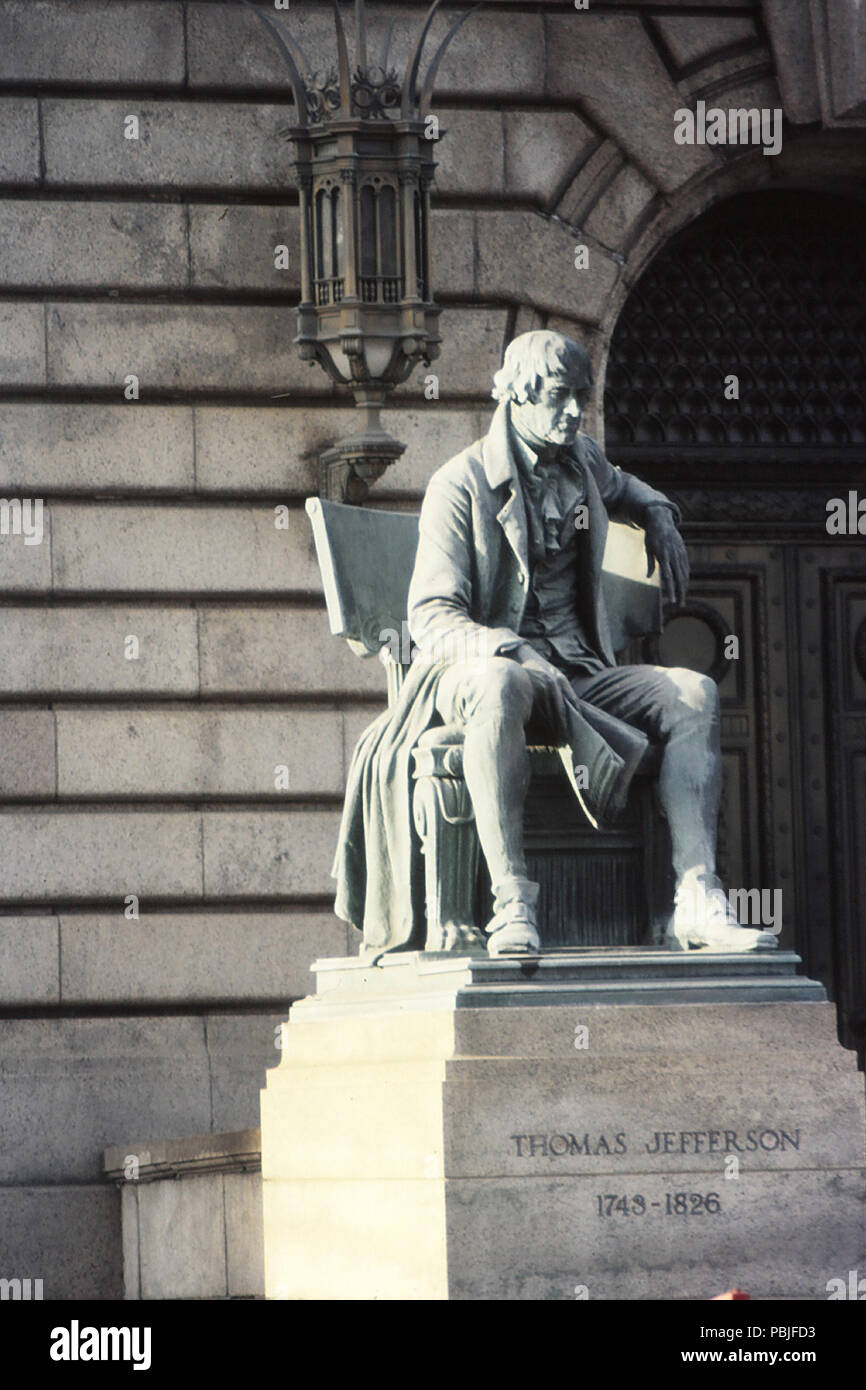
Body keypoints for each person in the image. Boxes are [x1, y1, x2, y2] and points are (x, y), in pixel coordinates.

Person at [334, 330, 777, 958]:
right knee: (502, 681)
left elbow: (623, 483)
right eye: (560, 398)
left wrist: (658, 515)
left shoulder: (582, 460)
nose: (575, 413)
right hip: (481, 674)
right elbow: (432, 617)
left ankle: (696, 898)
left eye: (581, 397)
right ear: (519, 396)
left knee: (694, 692)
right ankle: (512, 901)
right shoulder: (458, 485)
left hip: (579, 671)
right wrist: (510, 650)